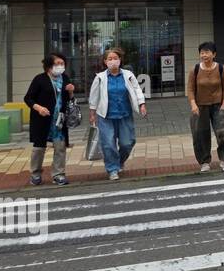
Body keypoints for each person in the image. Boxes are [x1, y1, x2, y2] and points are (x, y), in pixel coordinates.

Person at [87, 47, 147, 181]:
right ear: (105, 62)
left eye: (115, 58)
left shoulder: (128, 75)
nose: (113, 61)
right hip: (106, 116)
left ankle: (119, 161)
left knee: (128, 142)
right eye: (110, 59)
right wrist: (92, 113)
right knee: (108, 144)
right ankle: (112, 169)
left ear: (120, 60)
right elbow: (94, 96)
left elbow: (137, 90)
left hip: (125, 114)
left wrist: (141, 104)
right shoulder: (100, 78)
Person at [23, 53, 76, 187]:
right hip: (42, 119)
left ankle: (59, 174)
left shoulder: (65, 78)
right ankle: (35, 174)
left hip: (59, 119)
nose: (60, 66)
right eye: (57, 63)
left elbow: (69, 100)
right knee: (39, 148)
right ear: (48, 66)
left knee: (60, 147)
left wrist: (70, 92)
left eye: (62, 64)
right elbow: (28, 98)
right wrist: (39, 108)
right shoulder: (39, 79)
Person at [188, 41, 224, 172]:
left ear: (214, 54)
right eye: (202, 53)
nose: (204, 55)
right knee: (200, 134)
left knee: (223, 132)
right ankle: (204, 162)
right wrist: (193, 104)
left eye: (207, 52)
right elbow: (190, 89)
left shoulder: (221, 68)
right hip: (200, 107)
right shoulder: (195, 69)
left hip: (218, 106)